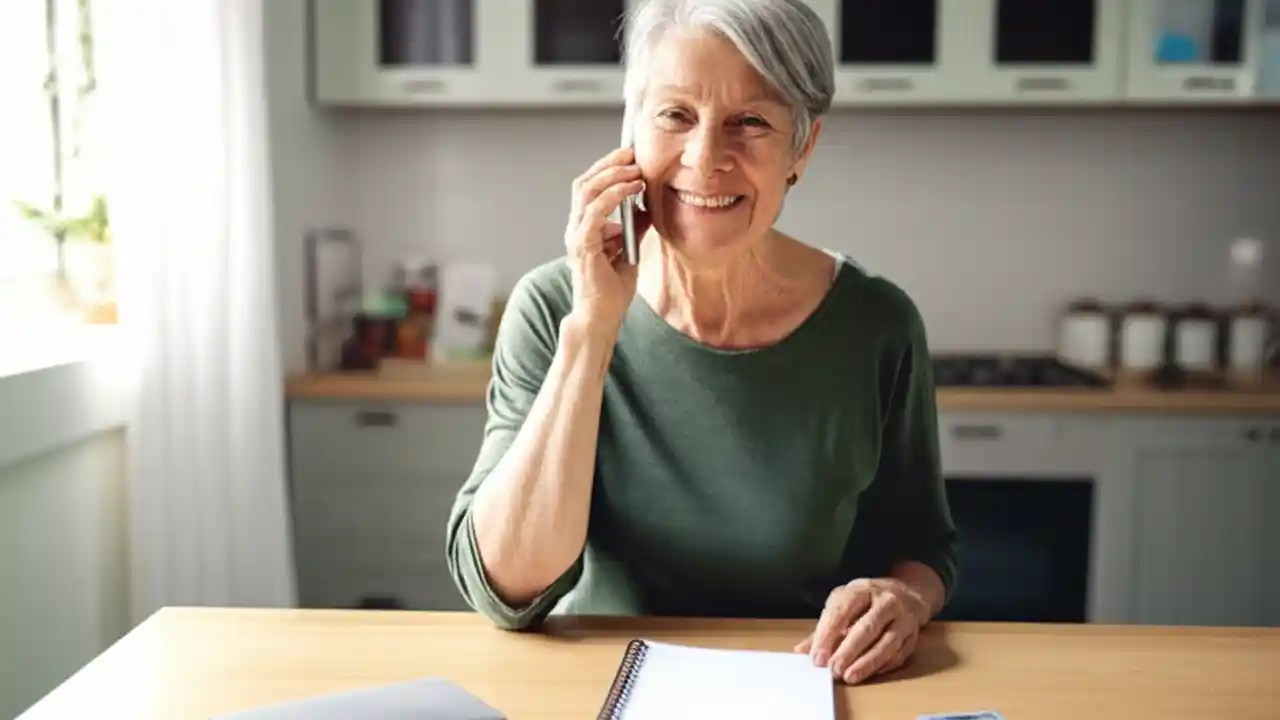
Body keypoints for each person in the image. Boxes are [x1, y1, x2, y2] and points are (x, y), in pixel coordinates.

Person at [445, 0, 957, 686]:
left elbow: (921, 545)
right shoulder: (554, 308)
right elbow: (504, 589)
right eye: (675, 115)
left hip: (806, 684)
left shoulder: (878, 325)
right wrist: (594, 329)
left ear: (802, 147)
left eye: (750, 122)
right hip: (597, 688)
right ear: (630, 131)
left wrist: (906, 598)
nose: (705, 158)